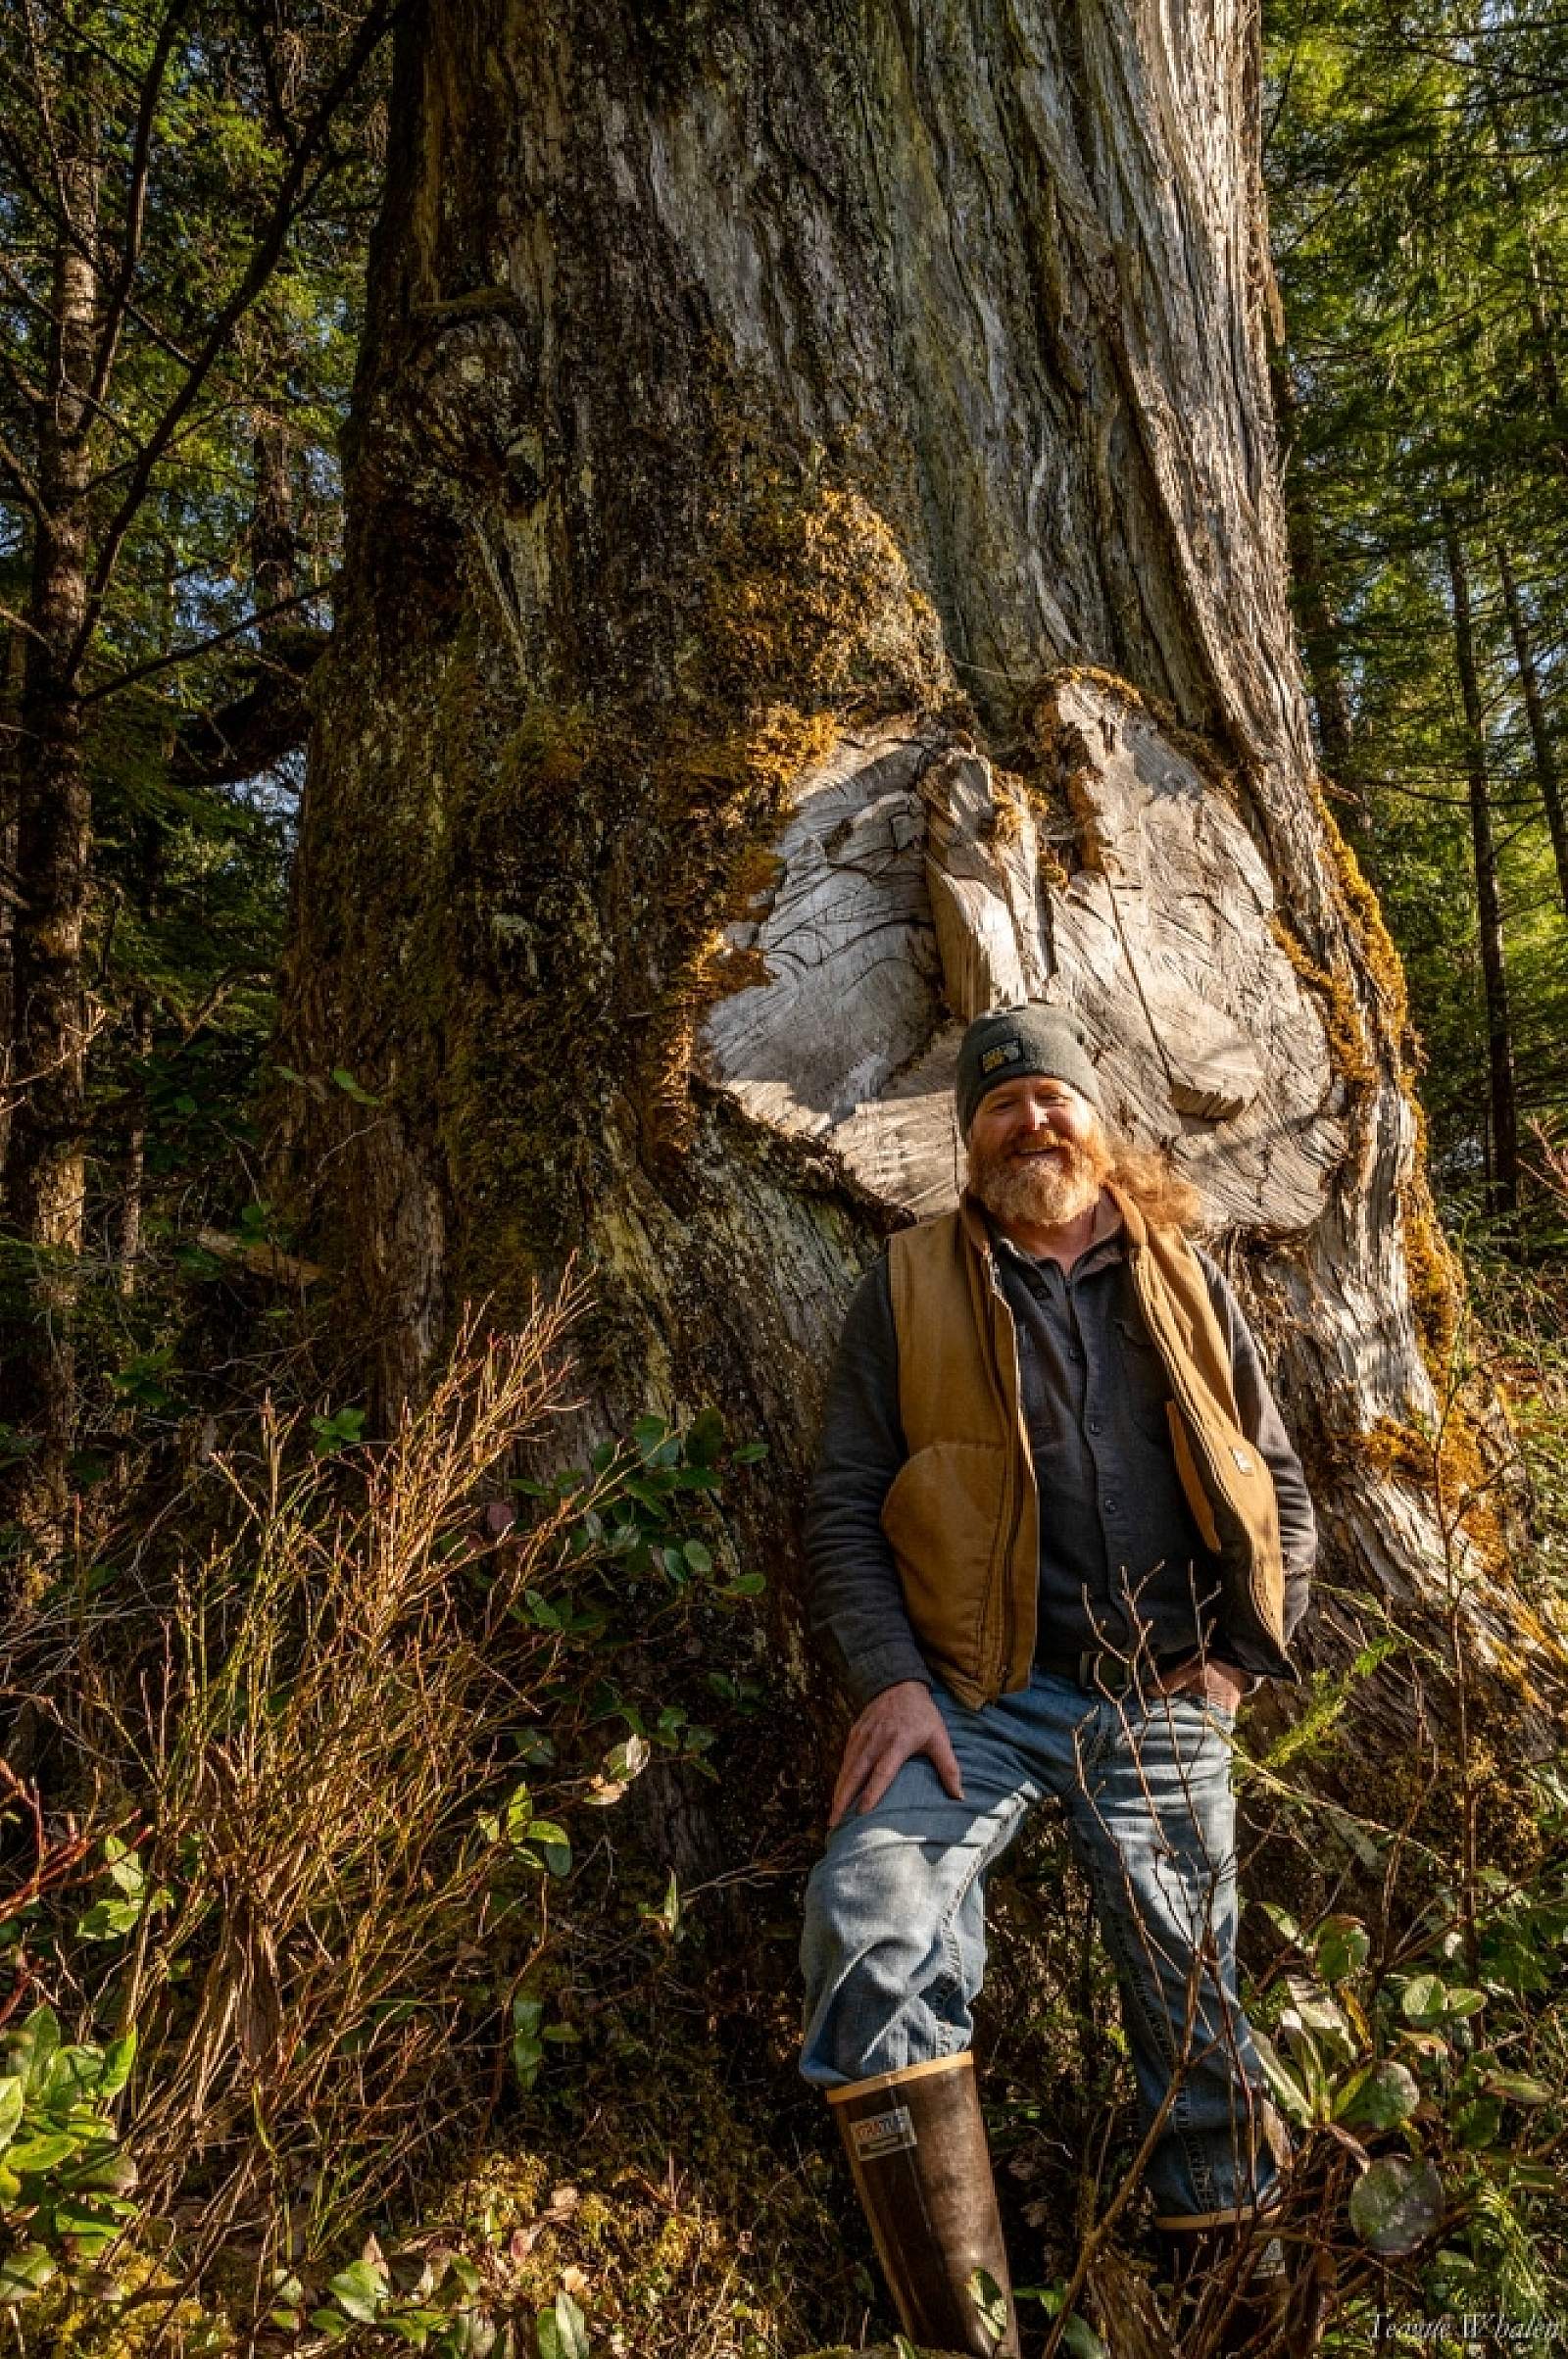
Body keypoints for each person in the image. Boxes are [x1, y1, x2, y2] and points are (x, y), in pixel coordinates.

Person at [799, 1004, 1316, 2357]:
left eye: (1054, 1098)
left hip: (1160, 1697)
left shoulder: (1184, 1280)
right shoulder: (908, 1284)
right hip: (974, 1699)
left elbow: (1285, 1489)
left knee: (1196, 2010)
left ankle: (1238, 2328)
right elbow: (847, 1502)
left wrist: (1238, 1665)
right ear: (969, 1143)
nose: (1032, 1120)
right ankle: (965, 2333)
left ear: (1098, 1121)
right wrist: (894, 1683)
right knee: (873, 1921)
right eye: (1000, 1105)